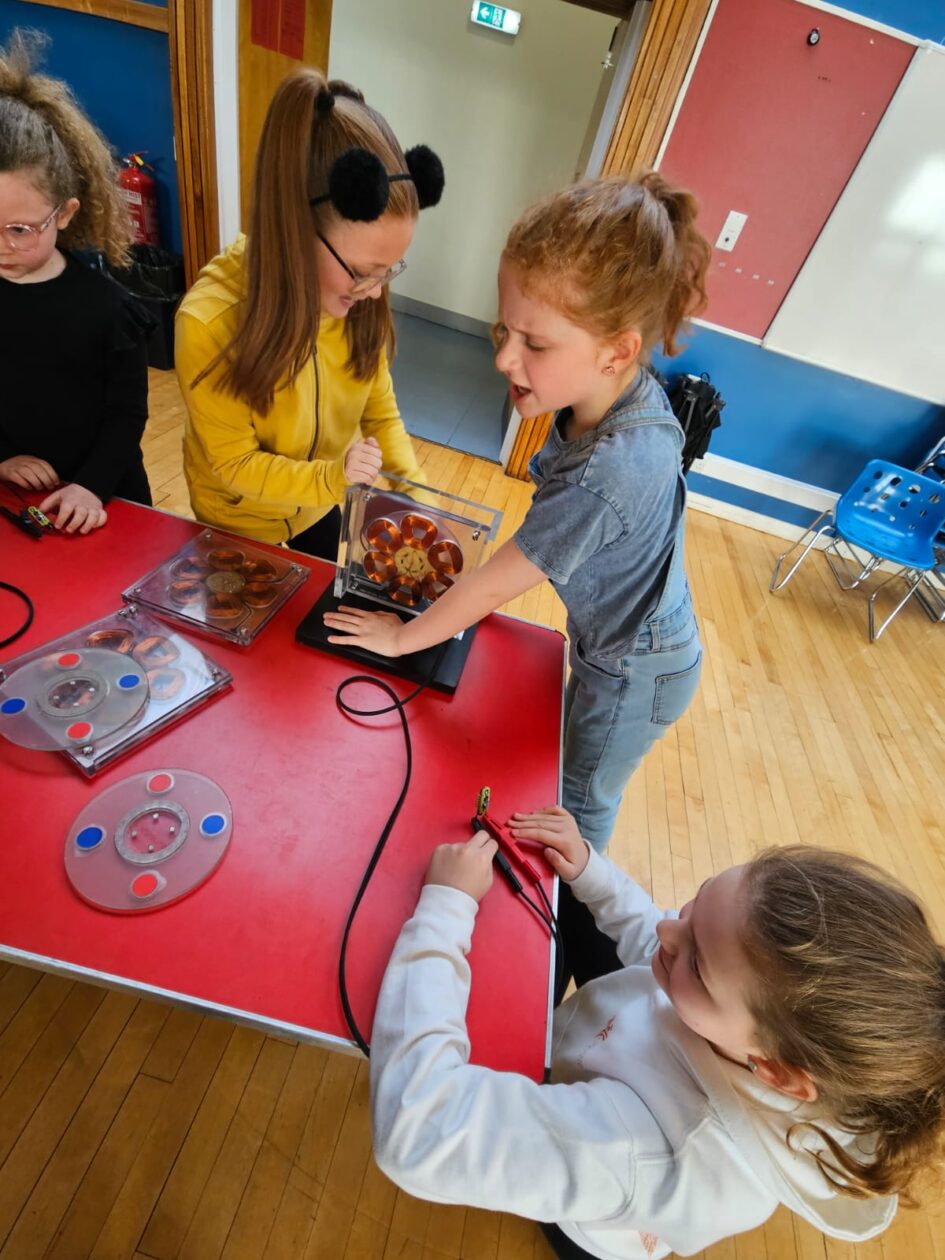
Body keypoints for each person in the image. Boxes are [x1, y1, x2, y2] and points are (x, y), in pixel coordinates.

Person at [325, 175, 708, 852]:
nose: (503, 356)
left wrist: (400, 639)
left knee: (579, 804)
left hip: (634, 667)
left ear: (616, 350)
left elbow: (494, 582)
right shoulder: (612, 389)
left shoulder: (610, 467)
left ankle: (572, 914)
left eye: (535, 344)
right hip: (621, 640)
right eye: (505, 329)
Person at [370, 809, 945, 1259]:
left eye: (697, 962)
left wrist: (444, 912)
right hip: (609, 1051)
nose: (670, 927)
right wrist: (591, 870)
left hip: (591, 1225)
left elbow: (419, 1130)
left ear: (775, 1071)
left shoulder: (649, 1149)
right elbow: (665, 938)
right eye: (697, 903)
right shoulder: (750, 1018)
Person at [176, 69, 443, 559]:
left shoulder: (358, 298)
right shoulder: (211, 324)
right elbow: (234, 464)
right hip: (239, 521)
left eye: (389, 271)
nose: (375, 291)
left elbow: (378, 408)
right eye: (364, 271)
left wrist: (419, 499)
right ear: (295, 232)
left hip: (319, 504)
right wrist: (332, 476)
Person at [0, 29, 153, 535]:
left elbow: (127, 415)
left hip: (105, 496)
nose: (1, 245)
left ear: (64, 214)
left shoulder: (109, 311)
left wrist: (91, 485)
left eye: (20, 230)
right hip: (21, 496)